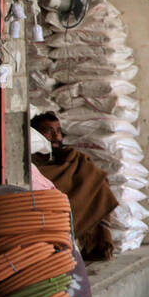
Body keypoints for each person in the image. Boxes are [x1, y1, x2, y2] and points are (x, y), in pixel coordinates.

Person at [30, 112, 120, 261]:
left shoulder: (73, 160)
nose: (56, 137)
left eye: (58, 131)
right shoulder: (32, 169)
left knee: (94, 177)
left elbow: (94, 177)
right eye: (48, 131)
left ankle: (93, 243)